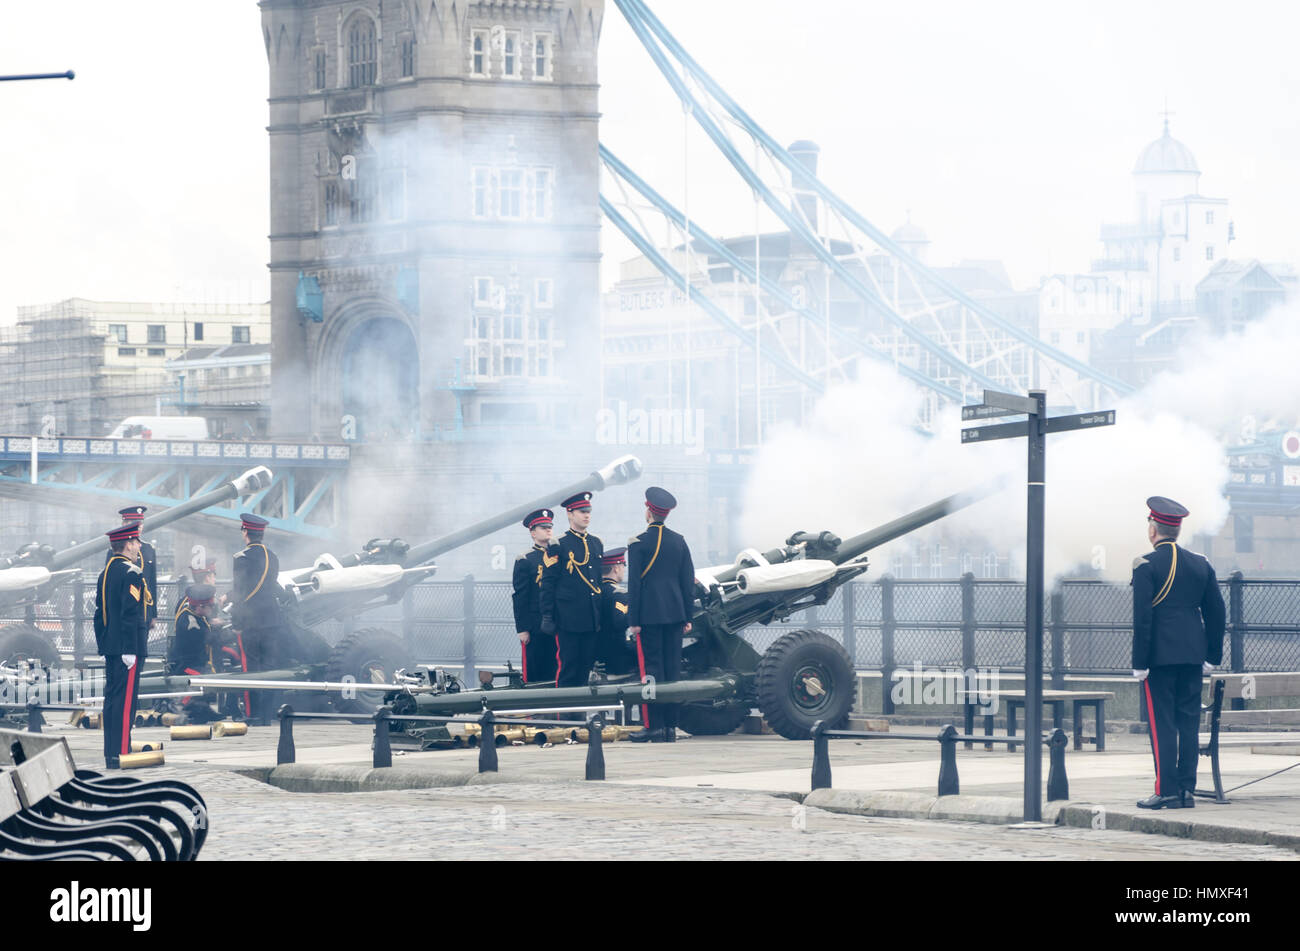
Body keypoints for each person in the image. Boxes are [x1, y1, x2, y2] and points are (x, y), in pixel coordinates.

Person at [1132, 496, 1226, 809]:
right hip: (1193, 654)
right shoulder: (1202, 564)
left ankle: (1166, 789)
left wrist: (1139, 662)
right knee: (1188, 722)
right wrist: (1212, 655)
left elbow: (1143, 618)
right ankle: (1186, 790)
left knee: (1162, 725)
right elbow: (1216, 612)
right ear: (1177, 528)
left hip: (1159, 656)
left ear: (1152, 529)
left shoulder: (1145, 564)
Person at [627, 487, 697, 743]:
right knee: (672, 670)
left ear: (648, 511)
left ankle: (653, 725)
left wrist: (633, 620)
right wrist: (687, 616)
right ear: (665, 514)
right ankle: (670, 726)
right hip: (676, 614)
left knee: (651, 672)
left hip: (648, 616)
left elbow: (634, 585)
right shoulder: (678, 541)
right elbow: (687, 581)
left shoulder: (638, 542)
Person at [94, 523, 147, 768]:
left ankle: (110, 753)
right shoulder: (131, 572)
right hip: (127, 648)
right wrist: (130, 648)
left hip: (111, 647)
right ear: (127, 544)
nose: (138, 546)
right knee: (126, 703)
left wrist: (105, 644)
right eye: (136, 542)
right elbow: (129, 613)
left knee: (112, 701)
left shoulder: (105, 573)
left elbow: (99, 615)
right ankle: (122, 753)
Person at [540, 492, 604, 691]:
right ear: (570, 514)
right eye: (582, 512)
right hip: (568, 619)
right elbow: (548, 583)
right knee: (568, 670)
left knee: (585, 671)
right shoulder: (559, 544)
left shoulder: (596, 543)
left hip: (590, 618)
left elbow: (597, 582)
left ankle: (580, 717)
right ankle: (564, 718)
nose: (586, 516)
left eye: (588, 512)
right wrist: (547, 615)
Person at [230, 513, 285, 720]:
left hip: (251, 621)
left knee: (250, 668)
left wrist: (236, 622)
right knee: (270, 667)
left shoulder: (241, 558)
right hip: (271, 619)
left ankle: (253, 714)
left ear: (245, 532)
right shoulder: (273, 557)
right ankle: (268, 714)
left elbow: (240, 592)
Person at [107, 506, 156, 682]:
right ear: (125, 523)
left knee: (141, 654)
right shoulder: (115, 551)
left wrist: (153, 613)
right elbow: (110, 584)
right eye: (134, 523)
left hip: (143, 611)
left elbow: (152, 583)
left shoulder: (149, 549)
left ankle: (135, 688)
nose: (139, 526)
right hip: (126, 611)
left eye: (140, 523)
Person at [512, 509, 559, 684]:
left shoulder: (559, 555)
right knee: (535, 671)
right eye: (543, 527)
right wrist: (522, 628)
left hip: (557, 622)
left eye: (550, 527)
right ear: (533, 532)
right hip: (535, 625)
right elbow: (520, 597)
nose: (548, 530)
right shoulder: (526, 559)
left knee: (557, 670)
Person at [168, 584, 223, 724]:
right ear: (200, 606)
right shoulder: (188, 621)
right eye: (209, 606)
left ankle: (203, 708)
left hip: (198, 662)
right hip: (186, 665)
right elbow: (207, 638)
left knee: (210, 673)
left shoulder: (197, 616)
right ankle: (185, 706)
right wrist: (219, 630)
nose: (211, 609)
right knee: (204, 677)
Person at [597, 547, 635, 677]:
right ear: (616, 568)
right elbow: (619, 623)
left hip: (597, 655)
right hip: (619, 657)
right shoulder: (619, 593)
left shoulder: (594, 592)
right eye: (624, 565)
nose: (624, 569)